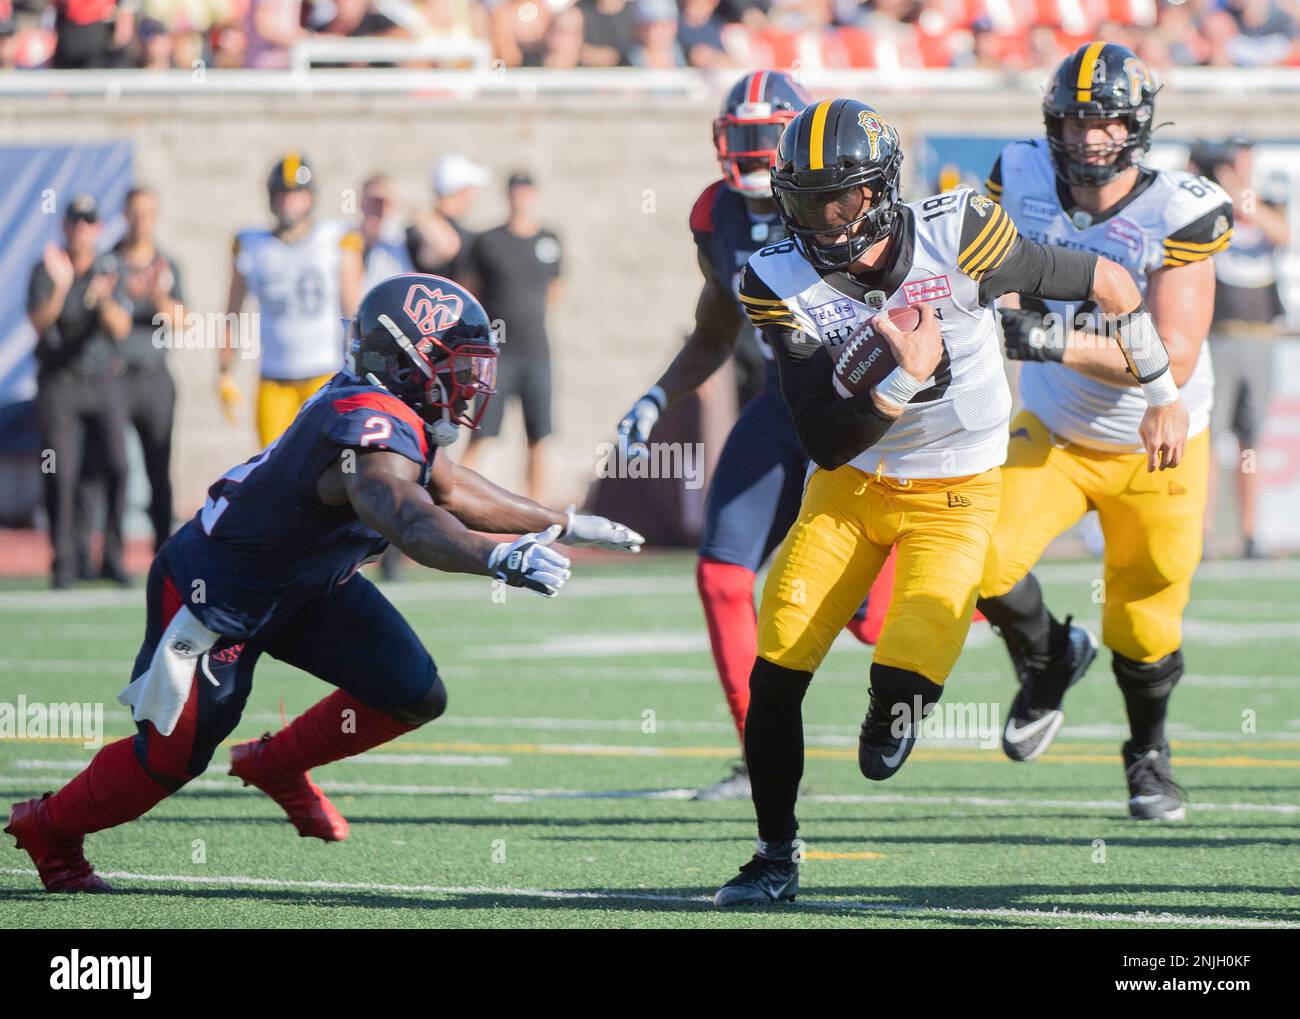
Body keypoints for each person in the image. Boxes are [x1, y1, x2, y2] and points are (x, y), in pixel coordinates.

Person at [5, 273, 644, 893]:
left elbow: (448, 485)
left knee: (411, 692)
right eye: (456, 364)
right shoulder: (364, 428)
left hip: (309, 585)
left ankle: (275, 762)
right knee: (170, 761)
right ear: (405, 361)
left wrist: (563, 522)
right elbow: (408, 516)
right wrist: (495, 557)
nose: (472, 382)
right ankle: (49, 828)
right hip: (219, 600)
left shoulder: (390, 411)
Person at [713, 97, 1189, 906]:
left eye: (843, 198)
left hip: (957, 489)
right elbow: (826, 440)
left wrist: (1163, 388)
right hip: (850, 487)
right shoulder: (774, 276)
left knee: (895, 708)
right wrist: (899, 377)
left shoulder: (959, 229)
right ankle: (773, 854)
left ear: (882, 189)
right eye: (805, 202)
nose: (825, 221)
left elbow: (1107, 279)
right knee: (780, 662)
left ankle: (961, 681)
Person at [978, 43, 1233, 821]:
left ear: (1138, 125)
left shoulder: (1180, 208)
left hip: (1161, 440)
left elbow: (1175, 356)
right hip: (1054, 428)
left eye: (1110, 119)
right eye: (1080, 119)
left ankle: (1147, 757)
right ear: (1053, 123)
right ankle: (1051, 660)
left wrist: (1045, 340)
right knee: (981, 558)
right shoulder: (1017, 173)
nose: (1093, 136)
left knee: (1147, 609)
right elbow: (987, 267)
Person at [617, 71, 877, 803]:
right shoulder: (717, 214)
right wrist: (656, 394)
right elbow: (715, 328)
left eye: (770, 137)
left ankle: (1013, 608)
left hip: (859, 417)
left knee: (874, 621)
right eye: (744, 139)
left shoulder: (845, 200)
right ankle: (756, 754)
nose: (756, 155)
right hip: (777, 407)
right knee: (721, 576)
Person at [217, 153, 365, 447]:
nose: (289, 202)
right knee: (272, 466)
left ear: (310, 197)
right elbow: (233, 312)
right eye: (282, 194)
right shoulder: (250, 244)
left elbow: (354, 310)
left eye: (296, 194)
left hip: (324, 373)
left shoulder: (336, 238)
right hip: (274, 375)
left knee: (327, 461)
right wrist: (223, 371)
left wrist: (361, 368)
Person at [27, 194, 134, 589]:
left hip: (102, 378)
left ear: (98, 228)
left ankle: (112, 556)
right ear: (65, 226)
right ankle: (65, 561)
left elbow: (121, 327)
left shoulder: (110, 268)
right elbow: (39, 324)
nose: (81, 230)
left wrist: (103, 300)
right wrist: (62, 287)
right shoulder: (48, 269)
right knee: (60, 471)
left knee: (118, 467)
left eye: (88, 222)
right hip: (60, 381)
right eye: (75, 222)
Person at [1191, 137, 1289, 560]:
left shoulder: (1266, 198)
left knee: (1250, 440)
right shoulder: (1209, 201)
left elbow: (1280, 233)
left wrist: (1239, 191)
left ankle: (1250, 534)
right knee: (1210, 441)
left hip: (1258, 335)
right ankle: (1204, 533)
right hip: (1218, 335)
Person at [461, 172, 562, 502]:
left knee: (539, 438)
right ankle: (456, 505)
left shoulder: (549, 240)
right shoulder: (487, 240)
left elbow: (554, 290)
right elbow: (468, 291)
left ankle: (538, 513)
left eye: (526, 190)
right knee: (483, 434)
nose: (521, 197)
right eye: (515, 191)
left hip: (537, 352)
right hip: (498, 355)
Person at [112, 186, 185, 552]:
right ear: (124, 215)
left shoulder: (166, 264)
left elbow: (183, 320)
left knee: (159, 465)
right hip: (114, 377)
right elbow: (112, 325)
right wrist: (125, 296)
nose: (141, 221)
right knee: (113, 467)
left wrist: (156, 295)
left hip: (155, 376)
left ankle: (163, 549)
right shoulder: (109, 262)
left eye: (147, 213)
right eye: (134, 213)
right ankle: (111, 555)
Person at [405, 153, 485, 284]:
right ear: (460, 190)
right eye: (471, 189)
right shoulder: (421, 232)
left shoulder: (463, 232)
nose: (473, 196)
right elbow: (446, 248)